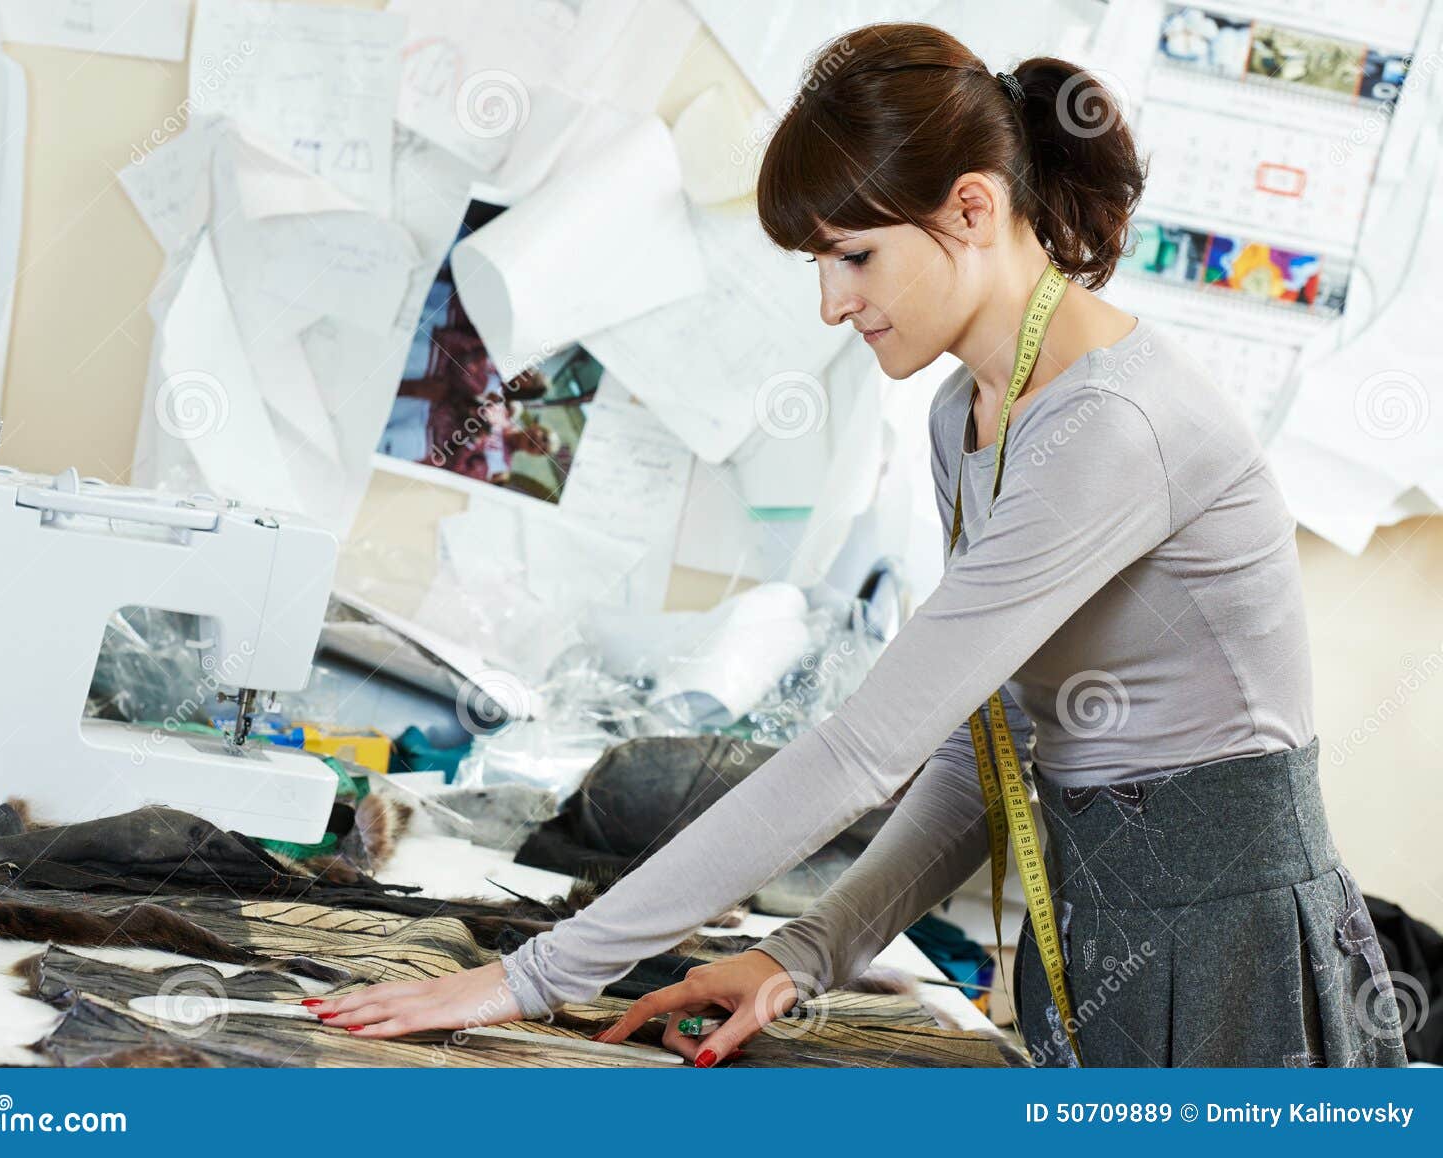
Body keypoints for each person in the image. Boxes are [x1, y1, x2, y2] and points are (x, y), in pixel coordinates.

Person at [305, 24, 1406, 1068]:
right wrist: (804, 951)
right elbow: (986, 758)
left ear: (971, 209)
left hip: (1235, 968)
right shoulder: (968, 415)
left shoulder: (1111, 427)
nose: (834, 302)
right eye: (817, 265)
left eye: (855, 257)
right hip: (1098, 940)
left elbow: (861, 751)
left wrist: (531, 976)